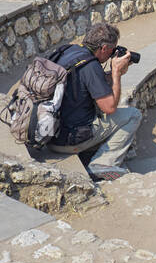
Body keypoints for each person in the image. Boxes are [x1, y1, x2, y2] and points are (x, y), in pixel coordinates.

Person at [47, 22, 142, 180]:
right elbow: (110, 107)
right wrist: (117, 73)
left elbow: (90, 82)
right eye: (112, 50)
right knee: (133, 115)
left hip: (50, 133)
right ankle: (102, 163)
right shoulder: (90, 67)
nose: (112, 54)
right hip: (67, 142)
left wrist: (112, 73)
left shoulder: (70, 51)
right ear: (104, 48)